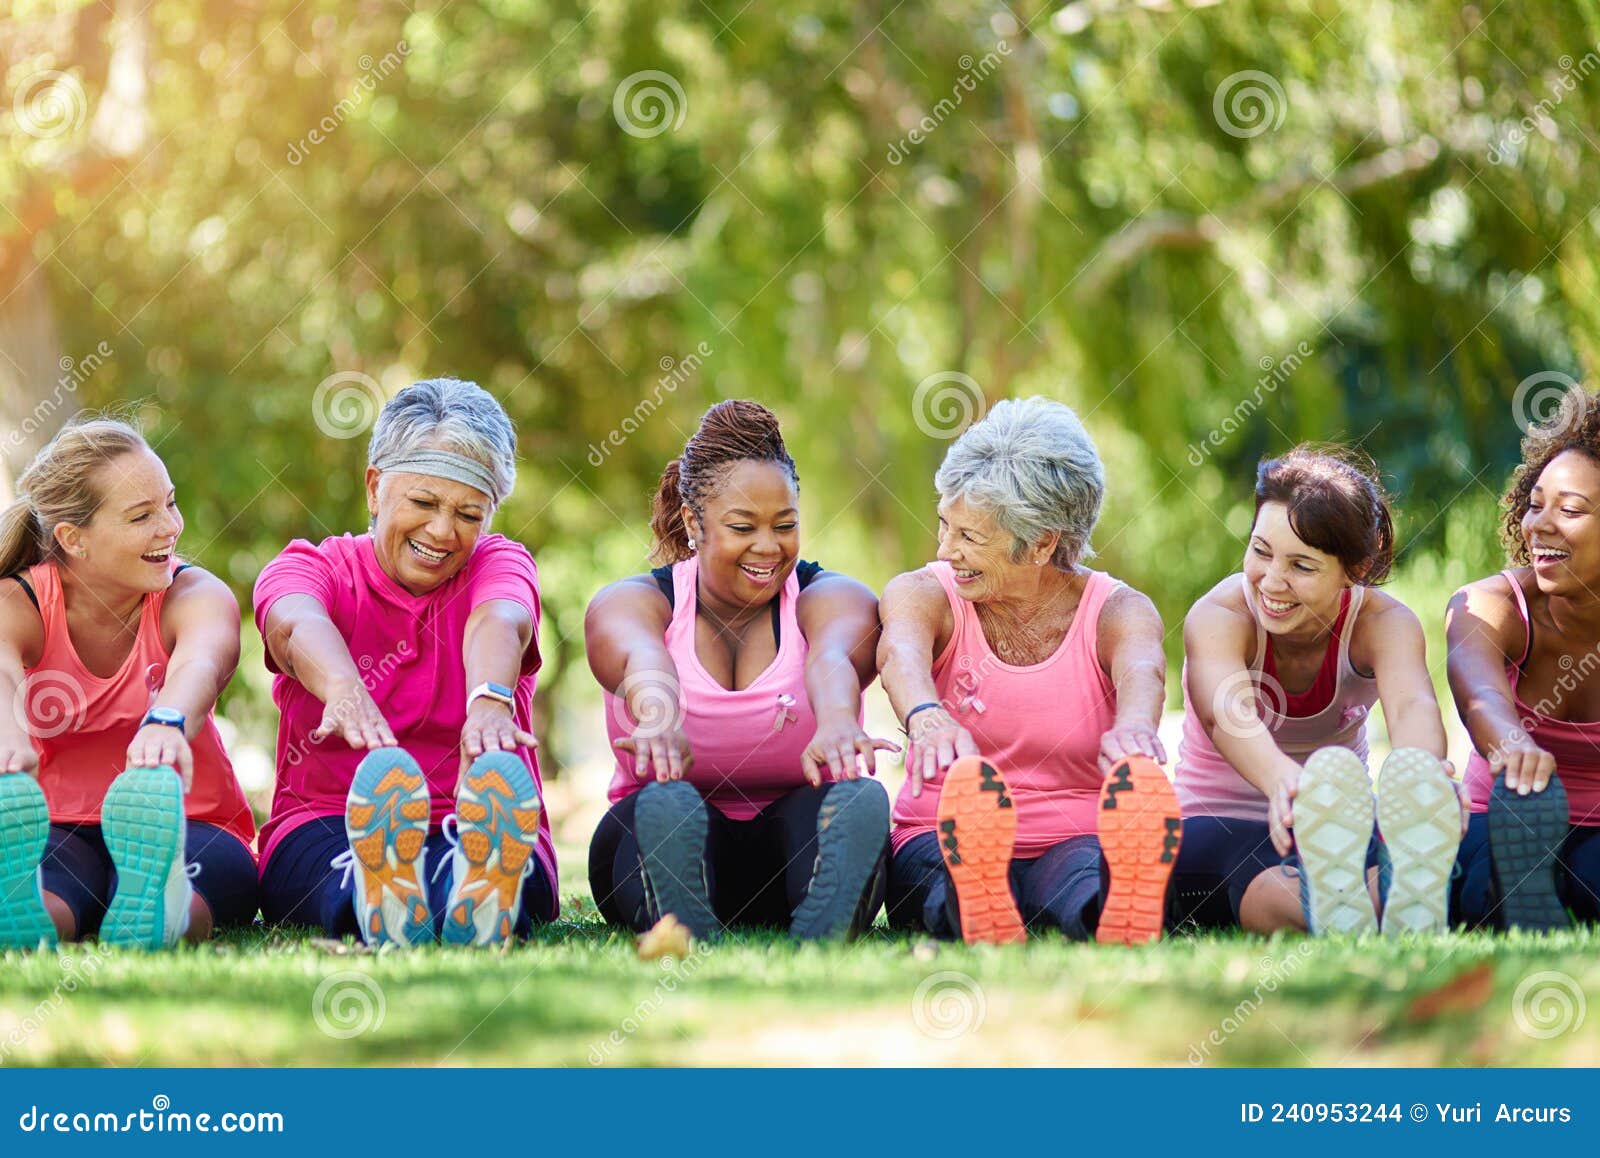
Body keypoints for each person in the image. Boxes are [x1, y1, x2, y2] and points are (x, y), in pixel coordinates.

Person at [255, 378, 555, 947]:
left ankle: (459, 887)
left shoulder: (499, 562)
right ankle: (392, 891)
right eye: (423, 503)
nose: (443, 531)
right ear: (374, 487)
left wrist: (489, 702)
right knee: (326, 874)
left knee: (512, 874)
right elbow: (293, 623)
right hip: (327, 821)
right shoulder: (314, 567)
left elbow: (500, 619)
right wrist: (343, 688)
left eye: (469, 513)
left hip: (476, 820)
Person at [586, 400, 893, 941]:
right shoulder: (633, 603)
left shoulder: (833, 597)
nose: (768, 546)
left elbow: (832, 655)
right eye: (743, 526)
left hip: (793, 845)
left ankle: (823, 919)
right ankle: (681, 910)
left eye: (785, 525)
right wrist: (658, 716)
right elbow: (643, 658)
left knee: (850, 808)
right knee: (666, 809)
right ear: (692, 523)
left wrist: (840, 720)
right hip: (666, 833)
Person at [880, 396, 1178, 946]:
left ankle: (1106, 913)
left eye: (970, 537)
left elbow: (1143, 667)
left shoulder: (1116, 611)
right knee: (941, 882)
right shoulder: (925, 595)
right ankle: (976, 902)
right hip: (937, 832)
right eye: (946, 524)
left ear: (1042, 543)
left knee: (1081, 878)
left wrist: (1134, 728)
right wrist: (924, 714)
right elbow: (899, 652)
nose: (945, 550)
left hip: (1071, 836)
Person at [1175, 446, 1463, 936]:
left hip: (1337, 832)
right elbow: (1225, 710)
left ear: (1356, 571)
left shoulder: (1384, 623)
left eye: (1302, 567)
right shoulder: (1220, 615)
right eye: (1261, 551)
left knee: (1427, 851)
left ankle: (1378, 896)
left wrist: (1423, 776)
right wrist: (1282, 781)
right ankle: (1362, 904)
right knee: (1249, 871)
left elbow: (1412, 703)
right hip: (1216, 822)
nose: (1272, 580)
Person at [0, 418, 256, 949]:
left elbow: (201, 663)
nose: (170, 527)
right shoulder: (19, 603)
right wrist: (6, 733)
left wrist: (168, 718)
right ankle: (30, 917)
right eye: (142, 516)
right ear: (74, 539)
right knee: (49, 900)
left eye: (170, 502)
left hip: (189, 823)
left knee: (197, 890)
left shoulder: (195, 595)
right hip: (55, 829)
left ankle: (165, 904)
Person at [1448, 386, 1600, 930]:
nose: (1540, 524)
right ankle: (1511, 889)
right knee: (1483, 893)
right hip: (1507, 815)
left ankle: (1547, 895)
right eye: (1535, 504)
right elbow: (1476, 689)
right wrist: (1511, 743)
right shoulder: (1494, 605)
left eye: (1571, 509)